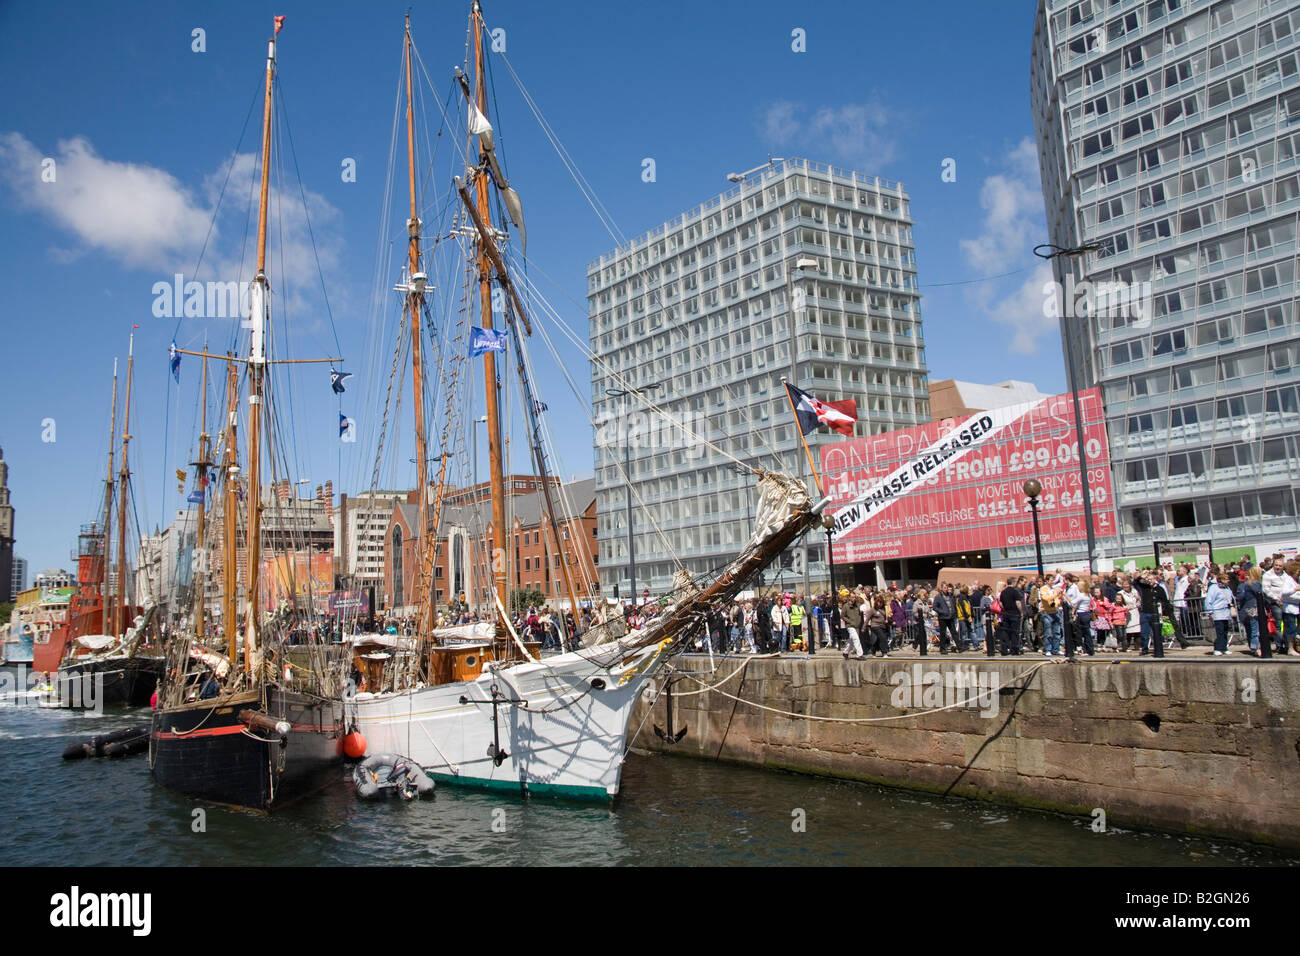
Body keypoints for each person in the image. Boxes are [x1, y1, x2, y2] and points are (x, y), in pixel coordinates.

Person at [1205, 573, 1235, 656]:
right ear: (1221, 580)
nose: (1228, 581)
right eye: (1226, 579)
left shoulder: (1227, 588)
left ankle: (1224, 647)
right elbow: (1209, 600)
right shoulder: (1214, 588)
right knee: (1220, 631)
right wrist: (1210, 612)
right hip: (1218, 612)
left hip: (1226, 612)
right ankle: (1218, 648)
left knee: (1225, 631)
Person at [1236, 567, 1264, 656]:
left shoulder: (1249, 584)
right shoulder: (1254, 584)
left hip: (1250, 608)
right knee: (1255, 629)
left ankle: (1254, 647)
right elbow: (1260, 594)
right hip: (1254, 608)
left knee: (1253, 629)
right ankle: (1256, 648)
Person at [996, 579, 1024, 657]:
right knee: (1015, 632)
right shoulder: (1015, 592)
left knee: (1005, 632)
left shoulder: (1003, 592)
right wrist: (1021, 612)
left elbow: (1000, 603)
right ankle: (1014, 650)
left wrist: (1005, 608)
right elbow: (1018, 603)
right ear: (1013, 583)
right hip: (1014, 614)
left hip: (1006, 614)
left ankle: (1004, 649)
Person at [1040, 579, 1063, 657]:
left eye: (1053, 580)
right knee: (1048, 632)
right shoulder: (1043, 589)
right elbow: (1046, 599)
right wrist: (1055, 594)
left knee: (1057, 632)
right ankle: (1048, 649)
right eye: (1050, 580)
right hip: (1046, 612)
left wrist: (1058, 601)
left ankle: (1056, 649)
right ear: (1046, 581)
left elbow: (1057, 601)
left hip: (1055, 612)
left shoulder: (1054, 589)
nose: (1052, 582)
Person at [932, 583, 959, 653]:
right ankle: (943, 649)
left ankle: (959, 647)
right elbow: (934, 607)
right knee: (943, 633)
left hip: (950, 617)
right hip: (943, 617)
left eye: (946, 587)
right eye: (944, 587)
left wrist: (954, 612)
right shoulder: (938, 597)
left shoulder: (951, 596)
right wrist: (942, 611)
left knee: (954, 632)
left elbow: (953, 604)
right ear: (941, 588)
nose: (946, 589)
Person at [840, 590, 864, 659]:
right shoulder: (846, 606)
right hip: (850, 625)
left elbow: (862, 604)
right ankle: (860, 654)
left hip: (857, 625)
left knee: (852, 641)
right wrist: (849, 621)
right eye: (852, 597)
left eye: (854, 597)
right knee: (856, 639)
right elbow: (842, 616)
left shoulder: (857, 605)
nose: (854, 599)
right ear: (849, 598)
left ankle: (845, 652)